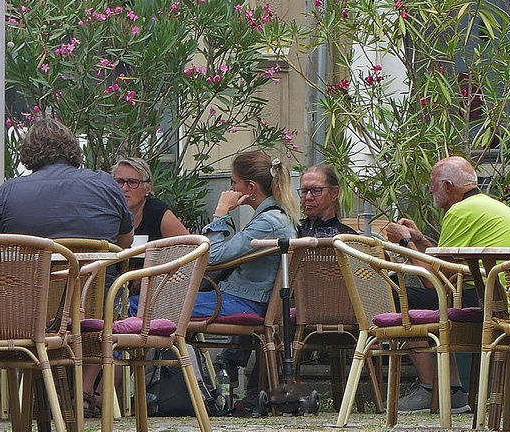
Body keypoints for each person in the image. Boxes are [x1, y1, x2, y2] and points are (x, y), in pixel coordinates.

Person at [384, 156, 510, 413]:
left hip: (495, 301)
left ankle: (433, 387)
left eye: (433, 184)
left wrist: (404, 243)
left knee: (393, 293)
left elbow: (435, 281)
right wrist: (420, 239)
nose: (430, 190)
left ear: (448, 186)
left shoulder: (460, 212)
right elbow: (447, 263)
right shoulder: (485, 205)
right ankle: (453, 390)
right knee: (440, 301)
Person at [199, 151, 299, 408]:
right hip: (247, 298)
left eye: (233, 182)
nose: (230, 188)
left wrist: (221, 213)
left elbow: (214, 257)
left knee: (150, 304)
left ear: (250, 188)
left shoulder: (268, 222)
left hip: (244, 303)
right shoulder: (277, 217)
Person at [0, 118, 133, 245]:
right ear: (73, 148)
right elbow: (125, 241)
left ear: (27, 151)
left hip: (31, 283)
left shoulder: (9, 192)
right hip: (94, 282)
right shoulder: (106, 184)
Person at [112, 157, 188, 243]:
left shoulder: (158, 212)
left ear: (148, 188)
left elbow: (191, 249)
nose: (124, 188)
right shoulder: (105, 211)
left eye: (133, 182)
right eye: (119, 182)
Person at [297, 163, 352, 238]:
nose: (308, 197)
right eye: (304, 191)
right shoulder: (291, 231)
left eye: (316, 190)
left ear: (334, 193)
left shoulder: (347, 237)